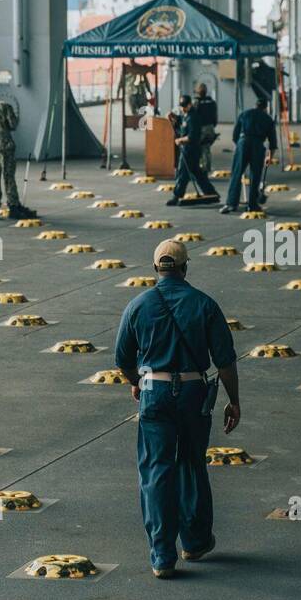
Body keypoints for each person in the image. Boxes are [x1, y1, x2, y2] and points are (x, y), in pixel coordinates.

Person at [114, 239, 242, 578]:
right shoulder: (204, 304)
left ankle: (162, 556)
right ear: (185, 268)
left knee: (156, 471)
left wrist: (135, 382)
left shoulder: (138, 305)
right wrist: (234, 400)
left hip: (154, 391)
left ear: (155, 268)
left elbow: (122, 358)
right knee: (191, 464)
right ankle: (196, 541)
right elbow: (225, 360)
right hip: (193, 392)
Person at [0, 92, 36, 220]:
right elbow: (13, 125)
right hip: (5, 147)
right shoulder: (5, 105)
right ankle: (13, 208)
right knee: (8, 177)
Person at [221, 94, 278, 214]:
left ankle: (231, 204)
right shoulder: (268, 119)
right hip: (257, 145)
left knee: (236, 174)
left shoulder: (245, 114)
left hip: (243, 143)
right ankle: (252, 205)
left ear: (255, 105)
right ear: (266, 108)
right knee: (255, 175)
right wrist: (269, 157)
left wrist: (239, 146)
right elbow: (273, 143)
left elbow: (235, 135)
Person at [167, 94, 220, 206]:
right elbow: (182, 121)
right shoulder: (186, 115)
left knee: (182, 173)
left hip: (191, 150)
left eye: (184, 106)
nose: (182, 108)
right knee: (197, 173)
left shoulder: (194, 118)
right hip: (189, 150)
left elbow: (192, 137)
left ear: (190, 105)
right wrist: (174, 117)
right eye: (181, 106)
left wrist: (180, 140)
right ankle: (211, 193)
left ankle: (176, 196)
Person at [193, 83, 219, 174]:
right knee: (206, 148)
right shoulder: (211, 101)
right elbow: (215, 116)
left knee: (198, 147)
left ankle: (200, 168)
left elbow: (193, 116)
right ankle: (207, 167)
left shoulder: (196, 102)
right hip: (210, 127)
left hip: (201, 128)